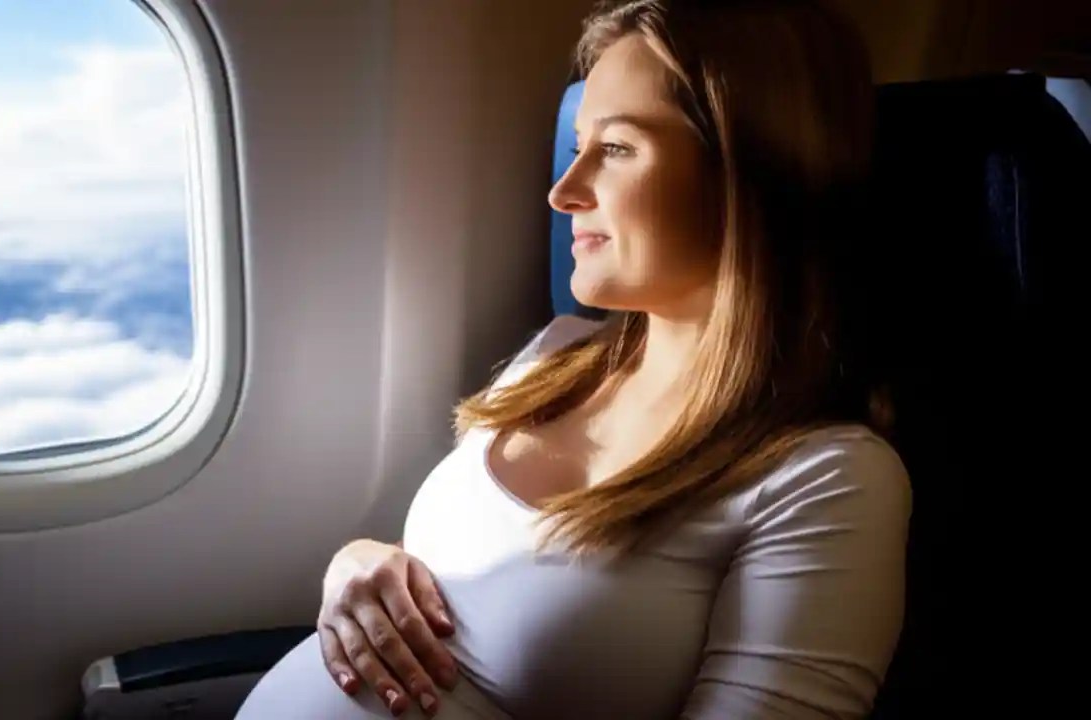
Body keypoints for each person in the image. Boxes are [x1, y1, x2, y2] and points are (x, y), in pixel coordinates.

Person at [235, 0, 909, 717]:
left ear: (748, 171)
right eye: (576, 146)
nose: (563, 191)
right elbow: (468, 580)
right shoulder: (556, 359)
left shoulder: (828, 481)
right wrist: (359, 568)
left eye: (615, 149)